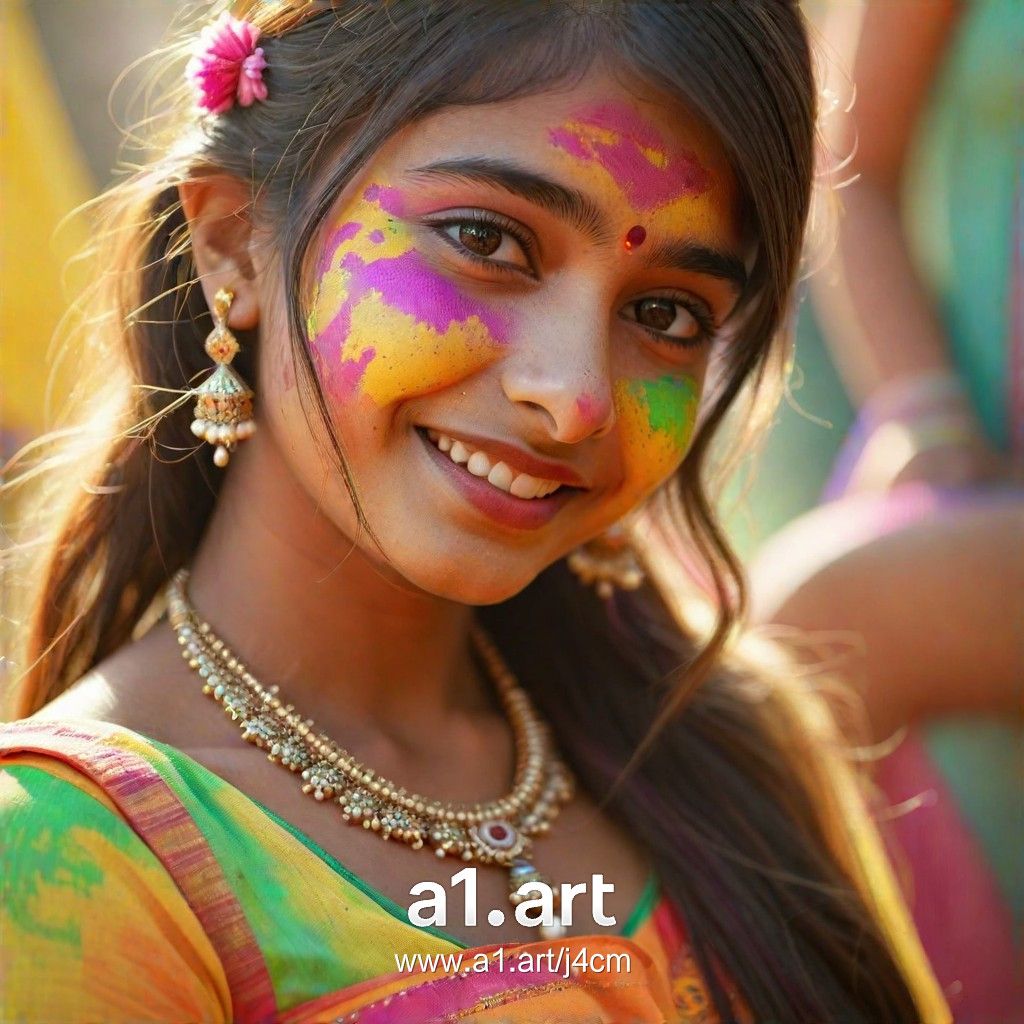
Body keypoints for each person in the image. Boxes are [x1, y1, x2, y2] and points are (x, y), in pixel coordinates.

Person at [0, 3, 950, 1022]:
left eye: (665, 313)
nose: (574, 393)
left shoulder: (731, 752)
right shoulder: (67, 860)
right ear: (233, 240)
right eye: (486, 240)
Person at [748, 1, 1023, 1020]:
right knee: (797, 662)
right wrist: (925, 408)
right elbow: (850, 164)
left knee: (822, 621)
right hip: (989, 473)